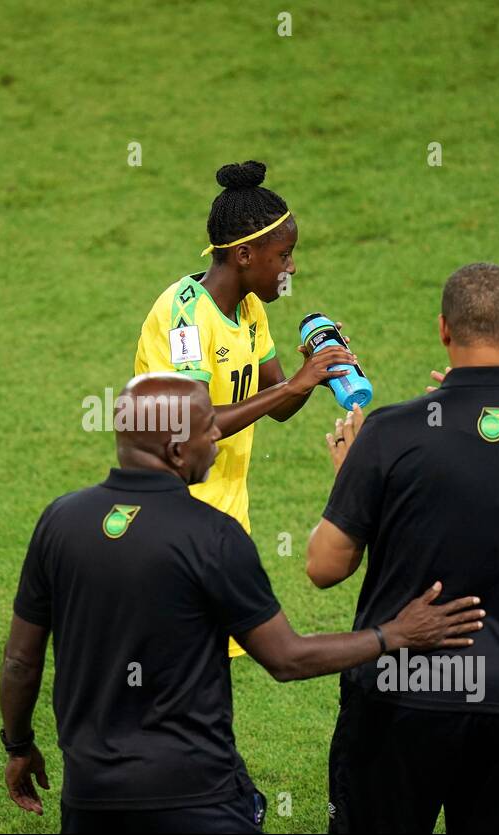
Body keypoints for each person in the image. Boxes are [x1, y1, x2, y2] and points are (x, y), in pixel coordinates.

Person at [0, 373, 485, 833]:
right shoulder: (211, 535)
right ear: (174, 449)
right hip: (196, 797)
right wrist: (395, 634)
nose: (217, 437)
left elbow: (21, 660)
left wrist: (18, 745)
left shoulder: (58, 522)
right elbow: (286, 658)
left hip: (91, 798)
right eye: (207, 428)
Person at [308, 262, 499, 834]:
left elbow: (324, 567)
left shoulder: (388, 434)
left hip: (401, 698)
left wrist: (350, 481)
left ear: (444, 329)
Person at [133, 160, 357, 657]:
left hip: (227, 518)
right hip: (172, 522)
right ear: (244, 254)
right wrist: (294, 384)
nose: (291, 267)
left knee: (209, 670)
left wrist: (318, 373)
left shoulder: (250, 308)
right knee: (178, 666)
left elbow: (276, 403)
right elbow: (197, 425)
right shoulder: (185, 318)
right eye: (285, 255)